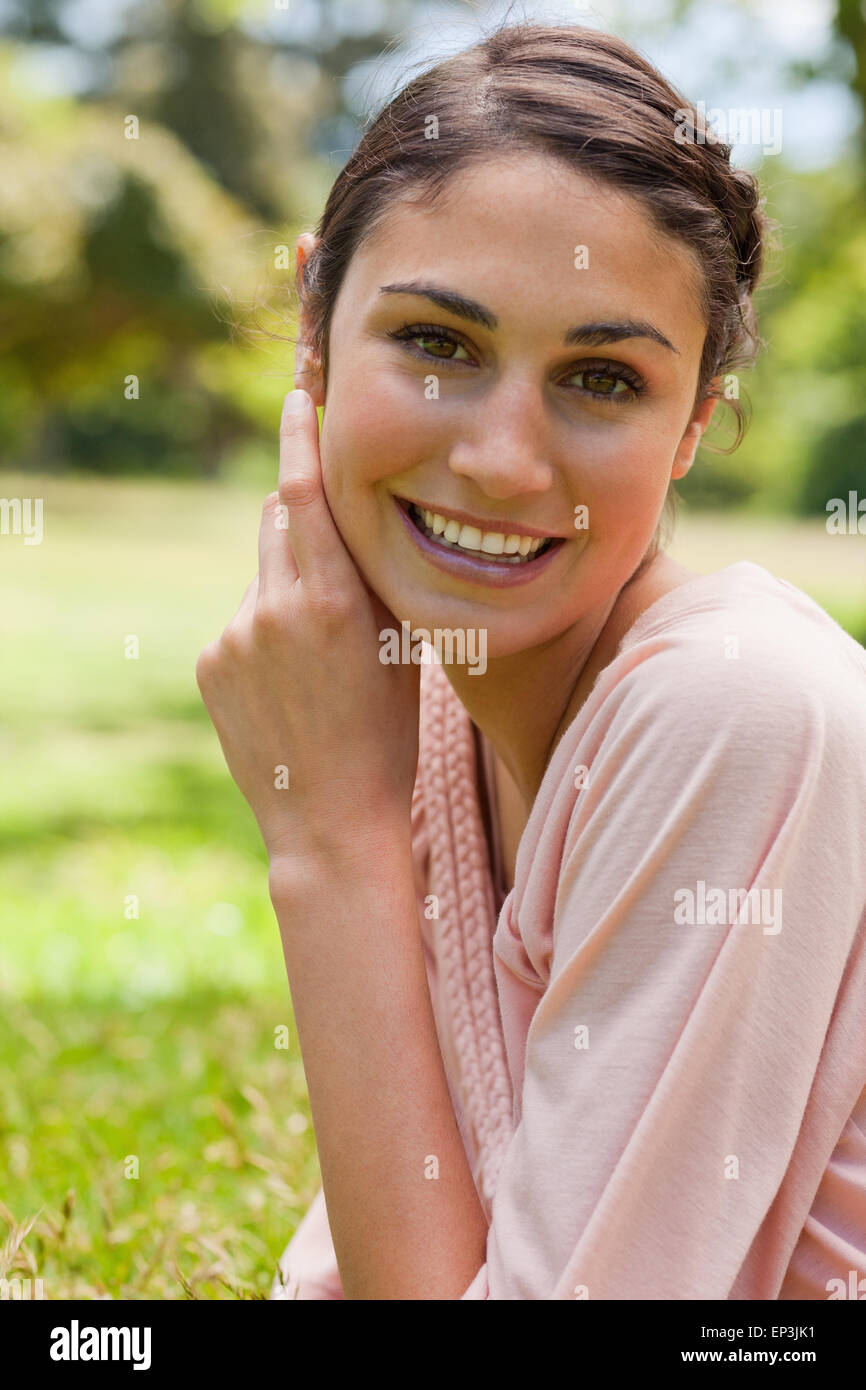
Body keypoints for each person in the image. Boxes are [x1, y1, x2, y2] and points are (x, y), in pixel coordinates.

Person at [196, 22, 866, 1299]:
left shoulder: (733, 708)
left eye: (602, 378)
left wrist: (330, 842)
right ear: (315, 329)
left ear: (692, 428)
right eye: (438, 345)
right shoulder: (440, 709)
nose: (504, 461)